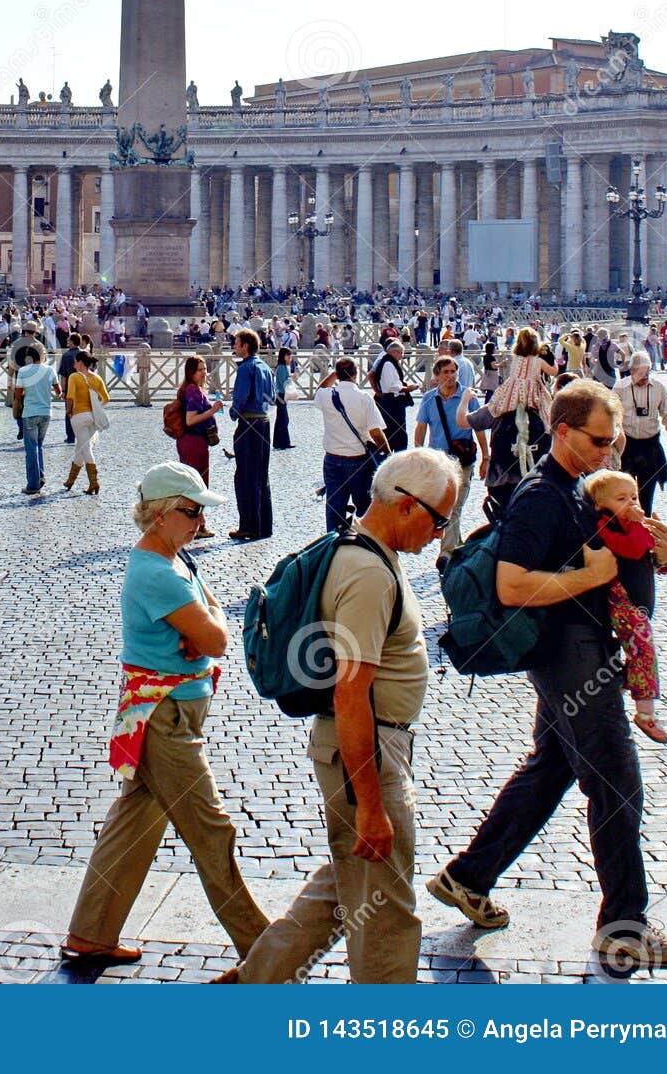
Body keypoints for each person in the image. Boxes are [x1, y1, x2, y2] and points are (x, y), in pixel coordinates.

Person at [428, 378, 667, 973]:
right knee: (617, 783)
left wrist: (652, 550)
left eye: (614, 438)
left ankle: (469, 876)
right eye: (600, 439)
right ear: (564, 431)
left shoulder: (576, 487)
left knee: (551, 769)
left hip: (577, 653)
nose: (609, 449)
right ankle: (624, 927)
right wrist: (592, 580)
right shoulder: (542, 496)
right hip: (569, 659)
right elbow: (511, 585)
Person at [216, 450, 461, 985]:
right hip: (366, 753)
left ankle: (255, 981)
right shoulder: (369, 574)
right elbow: (351, 697)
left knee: (347, 883)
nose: (441, 532)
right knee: (385, 904)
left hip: (366, 747)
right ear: (403, 505)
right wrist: (371, 804)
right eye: (438, 519)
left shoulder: (359, 548)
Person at [62, 462, 270, 966]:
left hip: (168, 713)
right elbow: (220, 638)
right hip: (166, 723)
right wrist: (202, 630)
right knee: (212, 828)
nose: (199, 521)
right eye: (191, 511)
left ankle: (91, 934)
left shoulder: (177, 562)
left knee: (135, 822)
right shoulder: (159, 572)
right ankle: (265, 949)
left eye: (201, 511)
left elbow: (214, 619)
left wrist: (202, 628)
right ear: (159, 516)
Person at [584, 469, 667, 746]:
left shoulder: (629, 525)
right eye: (622, 499)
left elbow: (653, 551)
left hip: (638, 600)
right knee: (643, 650)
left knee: (640, 650)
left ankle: (622, 682)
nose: (631, 504)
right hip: (622, 603)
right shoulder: (605, 527)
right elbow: (633, 548)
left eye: (634, 497)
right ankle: (645, 713)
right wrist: (638, 527)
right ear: (601, 505)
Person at [414, 356, 488, 562]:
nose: (450, 375)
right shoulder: (429, 398)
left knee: (454, 507)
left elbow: (479, 428)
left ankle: (446, 554)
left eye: (453, 371)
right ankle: (458, 545)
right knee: (443, 506)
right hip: (437, 461)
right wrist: (419, 456)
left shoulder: (468, 397)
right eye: (445, 372)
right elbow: (421, 428)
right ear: (436, 376)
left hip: (462, 459)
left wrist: (486, 456)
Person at [315, 358, 389, 532]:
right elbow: (376, 432)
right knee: (363, 506)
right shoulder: (364, 398)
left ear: (338, 375)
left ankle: (332, 545)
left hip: (332, 459)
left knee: (334, 506)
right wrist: (387, 452)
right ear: (356, 374)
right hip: (358, 460)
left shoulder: (326, 395)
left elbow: (320, 389)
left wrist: (335, 373)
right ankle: (364, 542)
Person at [228, 329, 275, 542]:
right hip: (264, 423)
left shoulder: (245, 369)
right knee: (261, 475)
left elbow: (240, 397)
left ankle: (249, 526)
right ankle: (265, 525)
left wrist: (232, 413)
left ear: (245, 346)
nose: (234, 347)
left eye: (236, 343)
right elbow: (272, 398)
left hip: (248, 424)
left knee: (245, 476)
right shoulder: (265, 367)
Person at [616, 351, 667, 512]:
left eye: (647, 372)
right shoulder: (620, 387)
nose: (645, 376)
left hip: (650, 445)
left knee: (646, 496)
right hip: (627, 445)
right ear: (632, 371)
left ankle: (646, 526)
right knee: (625, 494)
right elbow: (612, 414)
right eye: (641, 373)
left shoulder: (658, 387)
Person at [15, 344, 61, 496]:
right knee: (39, 445)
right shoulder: (49, 370)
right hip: (46, 412)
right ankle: (40, 476)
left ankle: (33, 484)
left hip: (30, 412)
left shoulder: (23, 371)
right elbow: (58, 391)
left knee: (31, 449)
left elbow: (18, 393)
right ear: (41, 355)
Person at [487, 326, 557, 426]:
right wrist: (552, 358)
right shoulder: (538, 361)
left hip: (512, 393)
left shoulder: (516, 358)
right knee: (546, 417)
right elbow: (554, 372)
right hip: (532, 395)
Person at [174, 353, 223, 491]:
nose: (204, 373)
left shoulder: (189, 388)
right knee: (197, 486)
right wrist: (212, 411)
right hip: (194, 442)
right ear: (191, 372)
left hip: (188, 441)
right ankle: (195, 512)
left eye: (205, 369)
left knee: (191, 483)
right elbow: (190, 420)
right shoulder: (194, 390)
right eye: (199, 370)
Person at [64, 349, 109, 495]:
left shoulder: (74, 377)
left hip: (78, 416)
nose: (74, 364)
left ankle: (94, 483)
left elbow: (70, 397)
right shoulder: (96, 378)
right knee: (81, 448)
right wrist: (96, 407)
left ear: (81, 363)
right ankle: (70, 480)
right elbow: (106, 398)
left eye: (76, 361)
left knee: (86, 449)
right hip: (92, 418)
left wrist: (69, 412)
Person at [368, 339, 414, 453]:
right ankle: (398, 456)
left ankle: (395, 453)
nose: (402, 356)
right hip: (392, 401)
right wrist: (407, 388)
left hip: (391, 400)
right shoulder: (388, 363)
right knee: (397, 431)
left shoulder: (387, 361)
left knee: (394, 430)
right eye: (401, 353)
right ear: (394, 352)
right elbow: (390, 386)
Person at [273, 346, 295, 449]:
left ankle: (279, 442)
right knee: (283, 419)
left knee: (281, 419)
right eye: (288, 355)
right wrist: (292, 378)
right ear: (283, 356)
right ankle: (283, 442)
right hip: (281, 395)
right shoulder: (281, 367)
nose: (290, 357)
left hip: (281, 394)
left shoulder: (283, 366)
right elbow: (284, 382)